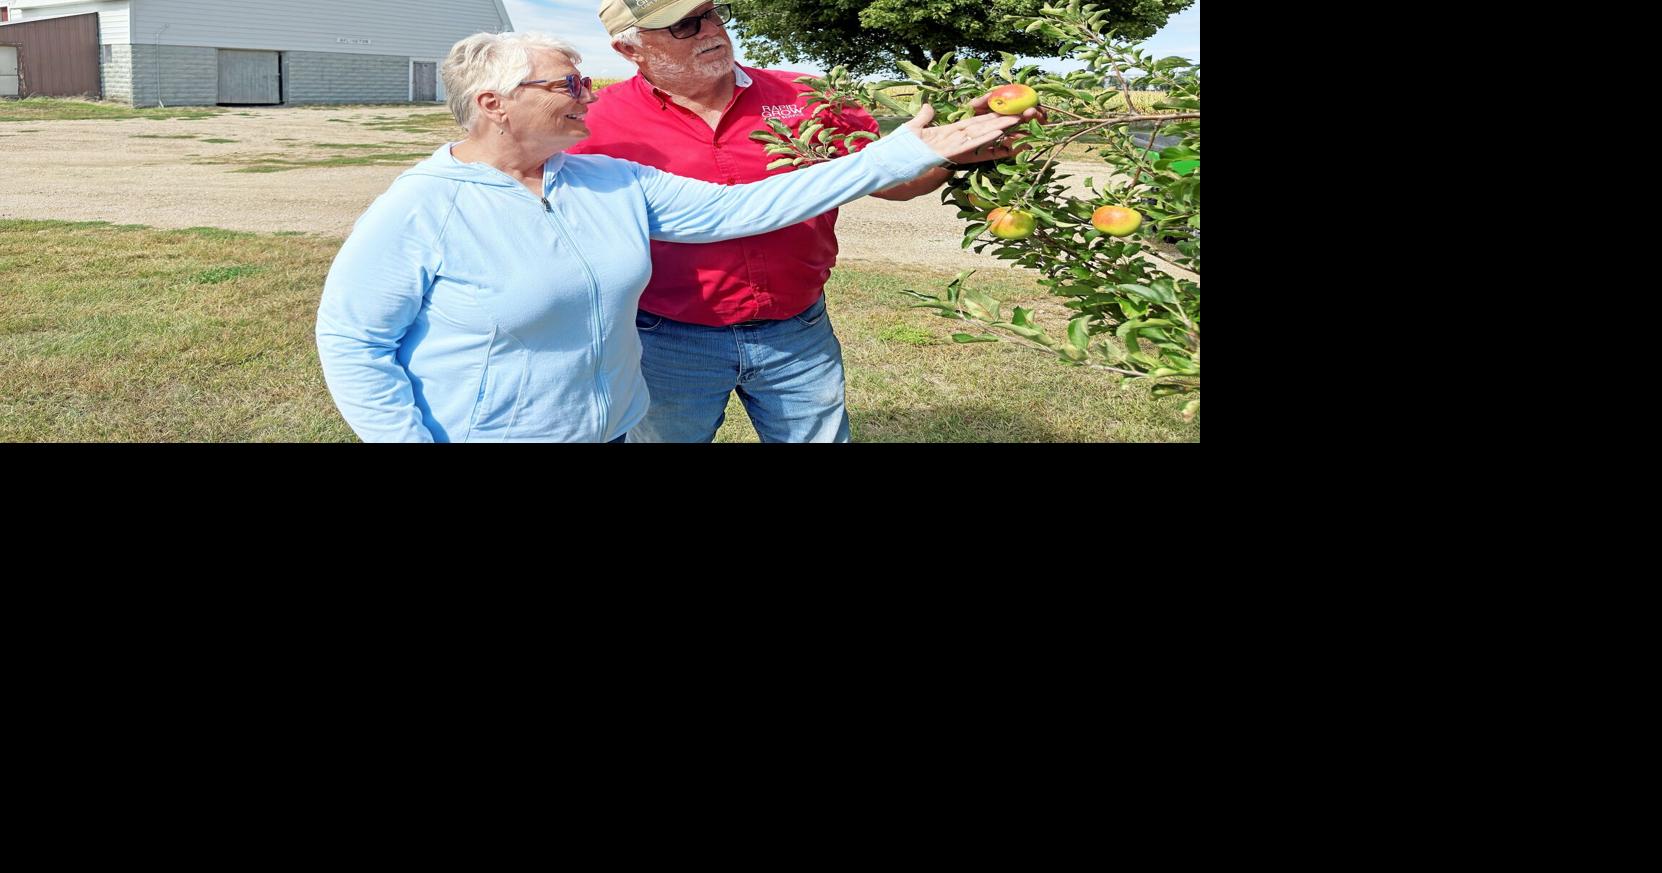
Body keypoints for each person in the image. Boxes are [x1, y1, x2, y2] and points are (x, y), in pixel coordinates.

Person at [315, 30, 1021, 442]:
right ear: (495, 104)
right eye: (568, 86)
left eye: (586, 81)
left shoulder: (603, 180)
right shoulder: (420, 208)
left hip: (623, 423)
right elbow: (353, 341)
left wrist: (906, 154)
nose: (588, 95)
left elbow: (744, 207)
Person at [567, 1, 1030, 442]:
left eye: (710, 14)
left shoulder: (808, 97)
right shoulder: (593, 126)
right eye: (683, 25)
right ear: (630, 49)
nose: (710, 30)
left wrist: (960, 153)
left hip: (797, 331)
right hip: (669, 338)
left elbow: (892, 182)